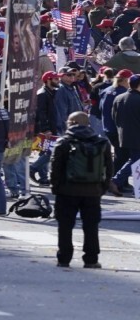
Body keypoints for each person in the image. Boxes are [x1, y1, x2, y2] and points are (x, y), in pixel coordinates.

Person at [51, 111, 111, 268]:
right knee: (91, 226)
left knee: (65, 226)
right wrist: (102, 187)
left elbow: (55, 168)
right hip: (93, 191)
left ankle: (64, 258)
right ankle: (91, 259)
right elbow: (109, 169)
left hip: (67, 190)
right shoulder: (102, 142)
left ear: (70, 123)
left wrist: (56, 188)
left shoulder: (63, 142)